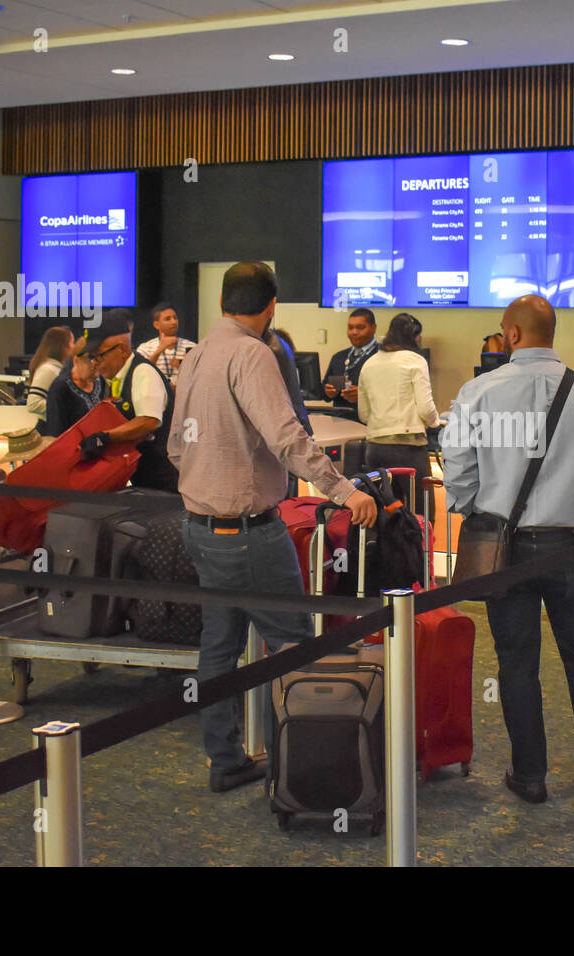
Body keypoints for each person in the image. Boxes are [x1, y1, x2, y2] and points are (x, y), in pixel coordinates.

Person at [168, 262, 378, 793]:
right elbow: (287, 438)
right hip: (249, 533)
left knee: (219, 649)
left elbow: (175, 445)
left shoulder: (195, 355)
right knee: (292, 647)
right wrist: (345, 491)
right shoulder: (253, 353)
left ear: (223, 303)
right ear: (270, 308)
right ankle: (298, 770)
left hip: (200, 526)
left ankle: (226, 761)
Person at [442, 294, 574, 804]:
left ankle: (530, 775)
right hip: (571, 546)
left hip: (505, 550)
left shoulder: (477, 392)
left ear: (513, 335)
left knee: (516, 661)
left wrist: (478, 510)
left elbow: (457, 468)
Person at [77, 308, 179, 491]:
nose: (96, 363)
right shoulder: (114, 380)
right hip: (143, 482)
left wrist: (106, 437)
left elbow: (148, 421)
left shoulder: (143, 373)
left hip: (165, 485)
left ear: (122, 350)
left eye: (100, 356)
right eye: (92, 358)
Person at [357, 313, 440, 510]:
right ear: (415, 337)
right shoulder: (415, 360)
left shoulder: (369, 363)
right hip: (408, 448)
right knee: (422, 510)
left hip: (375, 448)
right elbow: (426, 408)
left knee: (385, 512)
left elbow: (364, 414)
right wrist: (436, 423)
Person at [322, 307, 379, 418]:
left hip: (370, 421)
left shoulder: (383, 356)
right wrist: (328, 392)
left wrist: (362, 396)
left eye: (360, 328)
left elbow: (391, 395)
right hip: (340, 420)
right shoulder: (339, 357)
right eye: (350, 327)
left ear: (373, 328)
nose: (354, 332)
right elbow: (324, 394)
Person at [44, 337, 107, 437]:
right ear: (76, 361)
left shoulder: (100, 381)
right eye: (91, 366)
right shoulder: (60, 387)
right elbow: (55, 432)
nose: (96, 374)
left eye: (99, 367)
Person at [136, 302, 196, 388]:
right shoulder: (145, 348)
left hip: (182, 393)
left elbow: (199, 376)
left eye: (175, 318)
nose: (174, 322)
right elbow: (139, 373)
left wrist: (184, 366)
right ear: (156, 325)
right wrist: (159, 351)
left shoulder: (191, 347)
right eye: (168, 319)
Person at [26, 326, 74, 420]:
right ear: (62, 346)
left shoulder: (57, 369)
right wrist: (66, 405)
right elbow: (33, 404)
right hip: (49, 426)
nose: (74, 346)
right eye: (72, 342)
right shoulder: (48, 370)